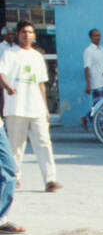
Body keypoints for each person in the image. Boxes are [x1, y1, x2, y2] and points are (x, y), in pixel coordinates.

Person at [3, 21, 61, 193]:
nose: (26, 35)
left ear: (34, 35)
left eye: (29, 32)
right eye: (23, 32)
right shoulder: (9, 54)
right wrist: (8, 87)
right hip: (16, 108)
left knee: (44, 143)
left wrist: (45, 108)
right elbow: (1, 73)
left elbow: (41, 84)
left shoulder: (37, 56)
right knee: (16, 146)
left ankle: (50, 179)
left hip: (36, 108)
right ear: (17, 34)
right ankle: (15, 177)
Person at [82, 28, 103, 127]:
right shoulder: (88, 51)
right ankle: (101, 126)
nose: (98, 37)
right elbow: (87, 68)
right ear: (91, 37)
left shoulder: (101, 49)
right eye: (95, 35)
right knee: (99, 105)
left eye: (99, 35)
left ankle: (86, 118)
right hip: (96, 82)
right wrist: (88, 84)